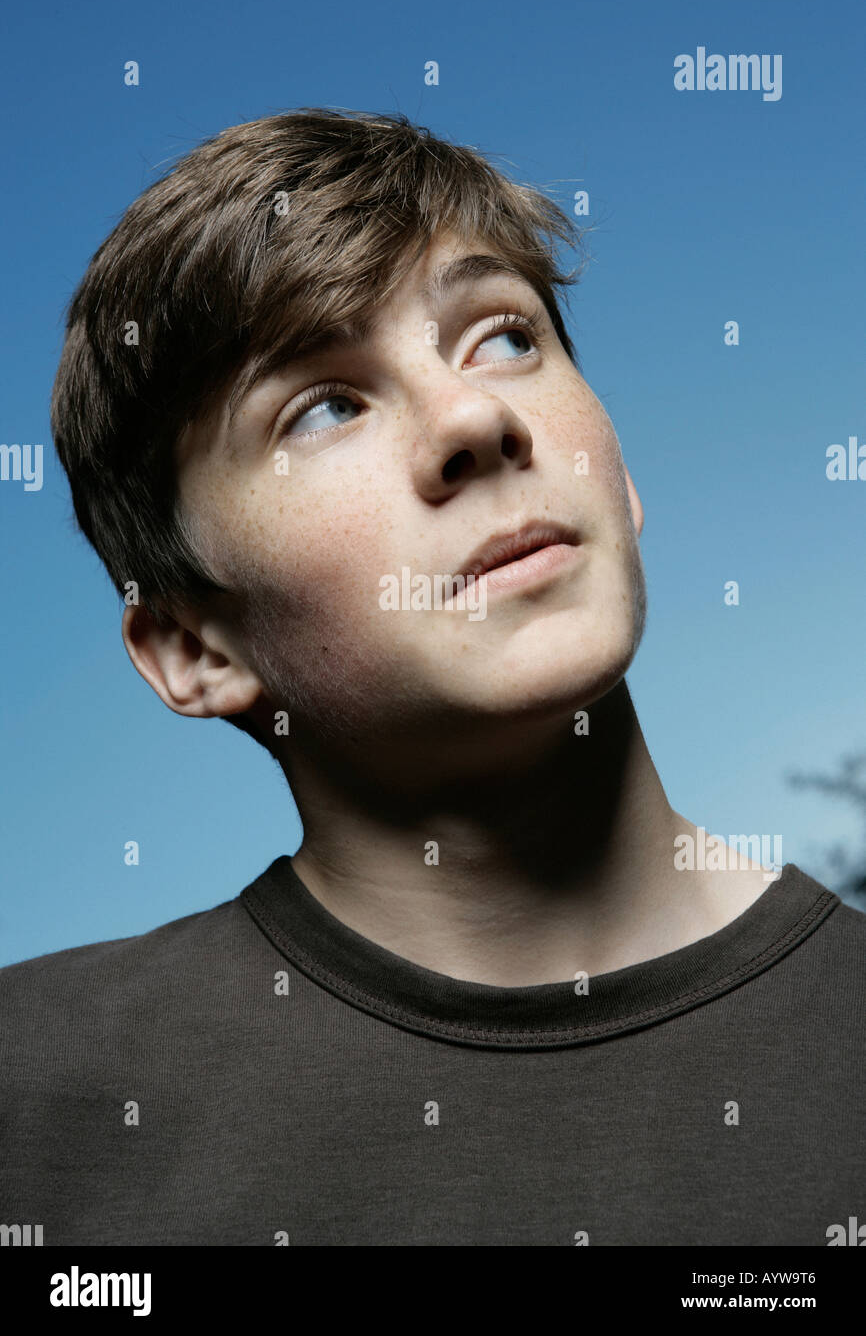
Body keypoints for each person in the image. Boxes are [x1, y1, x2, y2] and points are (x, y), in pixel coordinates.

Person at [2, 108, 863, 1246]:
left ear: (619, 475)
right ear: (194, 648)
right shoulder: (33, 1098)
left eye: (502, 336)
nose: (474, 416)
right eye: (322, 405)